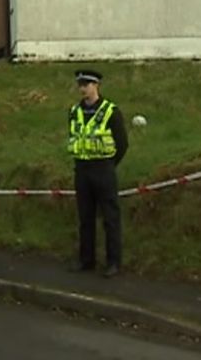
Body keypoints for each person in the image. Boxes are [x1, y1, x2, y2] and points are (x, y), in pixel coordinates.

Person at [67, 70, 128, 278]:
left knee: (110, 218)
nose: (83, 89)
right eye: (80, 85)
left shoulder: (111, 111)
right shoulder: (74, 111)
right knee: (85, 217)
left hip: (103, 168)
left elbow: (122, 143)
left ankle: (113, 262)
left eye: (87, 84)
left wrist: (110, 164)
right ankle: (86, 260)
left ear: (96, 86)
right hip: (82, 169)